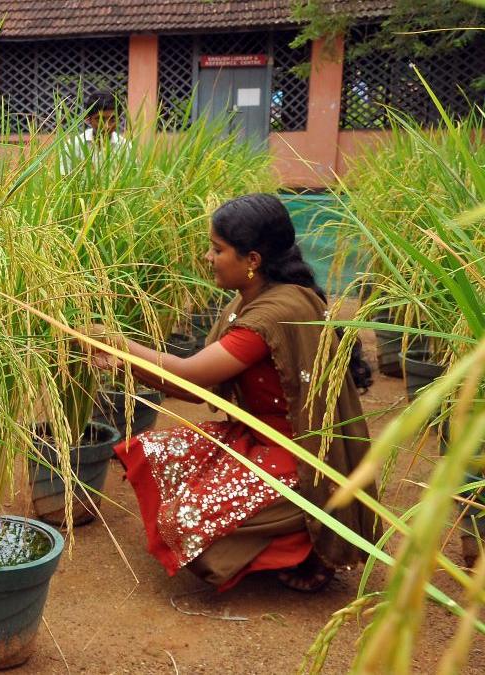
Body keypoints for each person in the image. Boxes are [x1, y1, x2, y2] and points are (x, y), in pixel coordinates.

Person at [89, 193, 377, 592]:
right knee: (155, 455)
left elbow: (190, 377)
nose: (208, 257)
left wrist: (118, 345)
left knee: (183, 521)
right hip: (259, 438)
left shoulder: (276, 313)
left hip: (299, 459)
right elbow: (191, 383)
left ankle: (308, 543)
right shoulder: (249, 300)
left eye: (217, 249)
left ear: (253, 260)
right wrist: (122, 357)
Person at [60, 89, 128, 173]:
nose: (106, 126)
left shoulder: (125, 147)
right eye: (99, 119)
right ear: (88, 119)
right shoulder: (73, 145)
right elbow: (63, 177)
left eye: (112, 119)